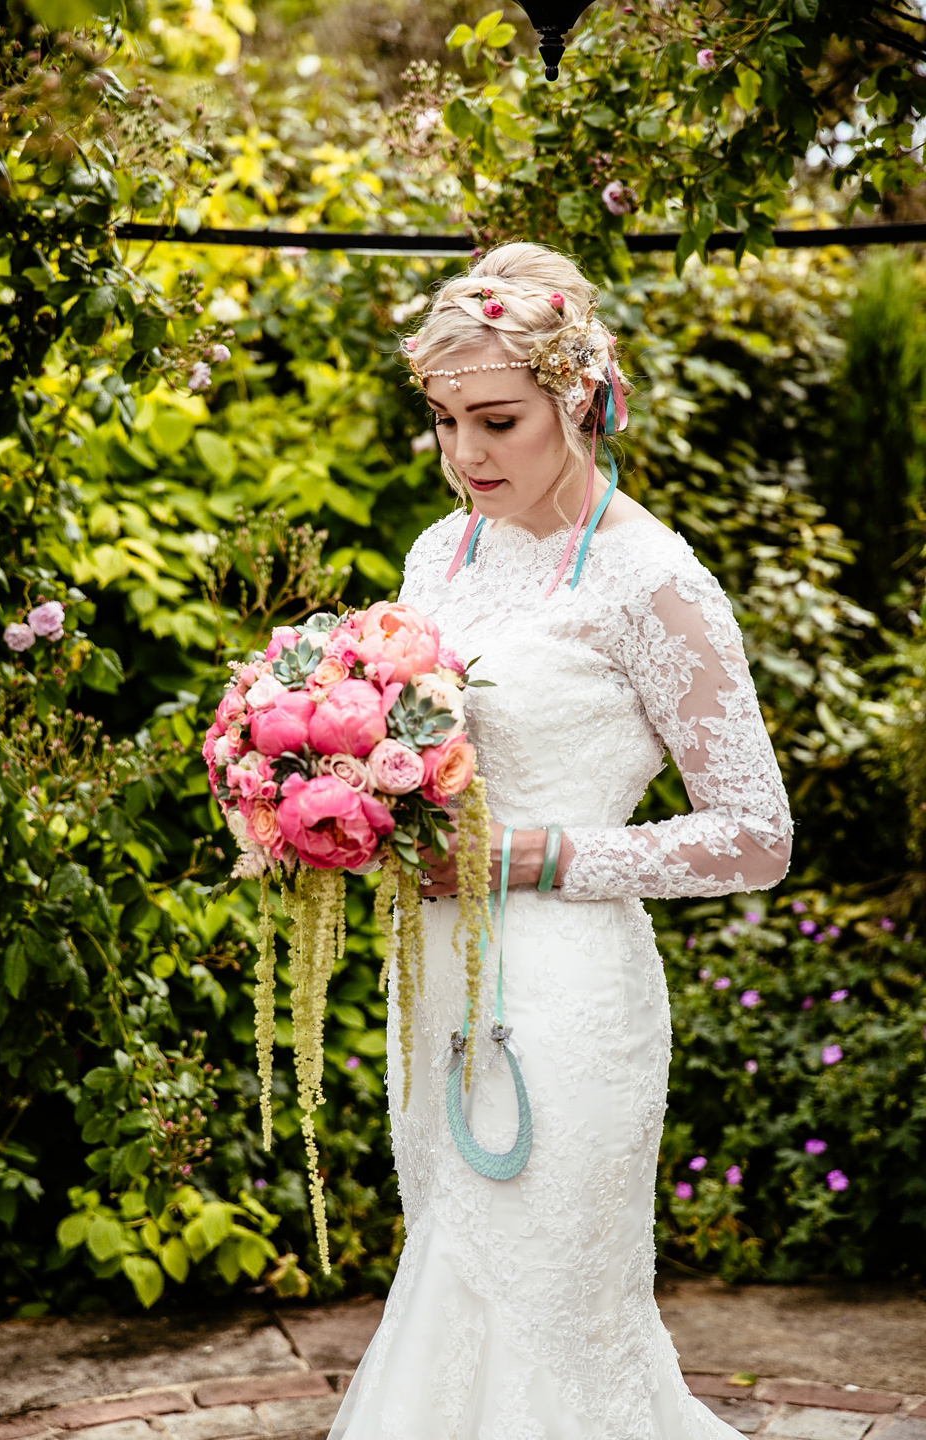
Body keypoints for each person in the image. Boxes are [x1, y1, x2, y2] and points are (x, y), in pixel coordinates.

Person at [327, 242, 792, 1440]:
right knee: (452, 1286)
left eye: (497, 421)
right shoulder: (446, 551)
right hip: (436, 976)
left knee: (545, 1311)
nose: (465, 455)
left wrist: (535, 857)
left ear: (579, 399)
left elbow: (756, 838)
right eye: (442, 423)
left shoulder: (654, 581)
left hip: (573, 999)